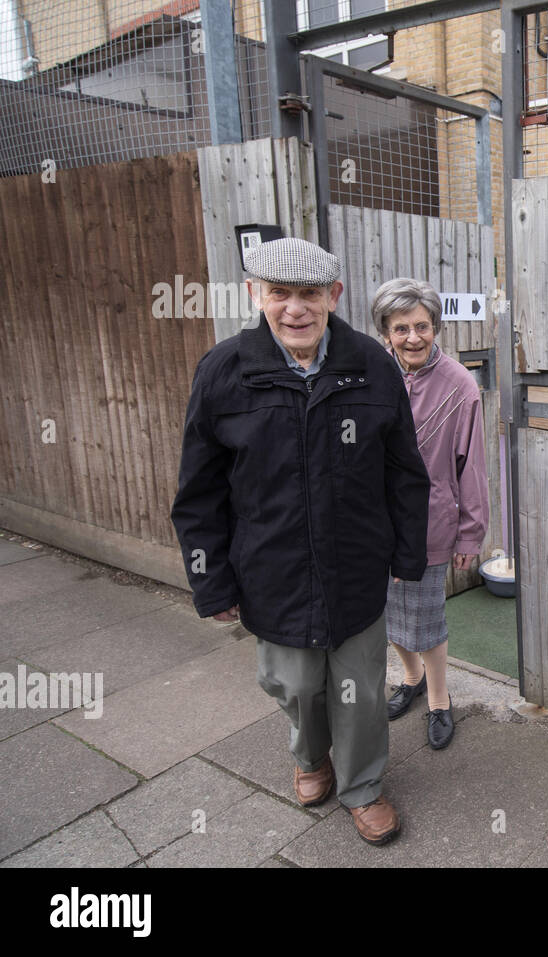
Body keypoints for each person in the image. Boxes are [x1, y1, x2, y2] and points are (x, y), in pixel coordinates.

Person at [171, 238, 430, 846]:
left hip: (357, 563)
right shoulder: (223, 371)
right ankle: (311, 756)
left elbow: (405, 471)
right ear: (254, 295)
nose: (295, 308)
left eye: (310, 294)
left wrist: (407, 553)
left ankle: (362, 786)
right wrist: (211, 581)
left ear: (333, 296)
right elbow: (198, 492)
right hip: (271, 567)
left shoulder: (371, 363)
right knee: (295, 683)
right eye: (279, 293)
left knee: (362, 687)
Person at [371, 278, 489, 750]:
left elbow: (472, 467)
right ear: (385, 332)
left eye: (422, 326)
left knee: (426, 617)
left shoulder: (460, 385)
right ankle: (411, 676)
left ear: (436, 327)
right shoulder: (374, 375)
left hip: (431, 524)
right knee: (383, 613)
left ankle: (439, 699)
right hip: (375, 525)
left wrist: (470, 535)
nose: (413, 337)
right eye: (401, 328)